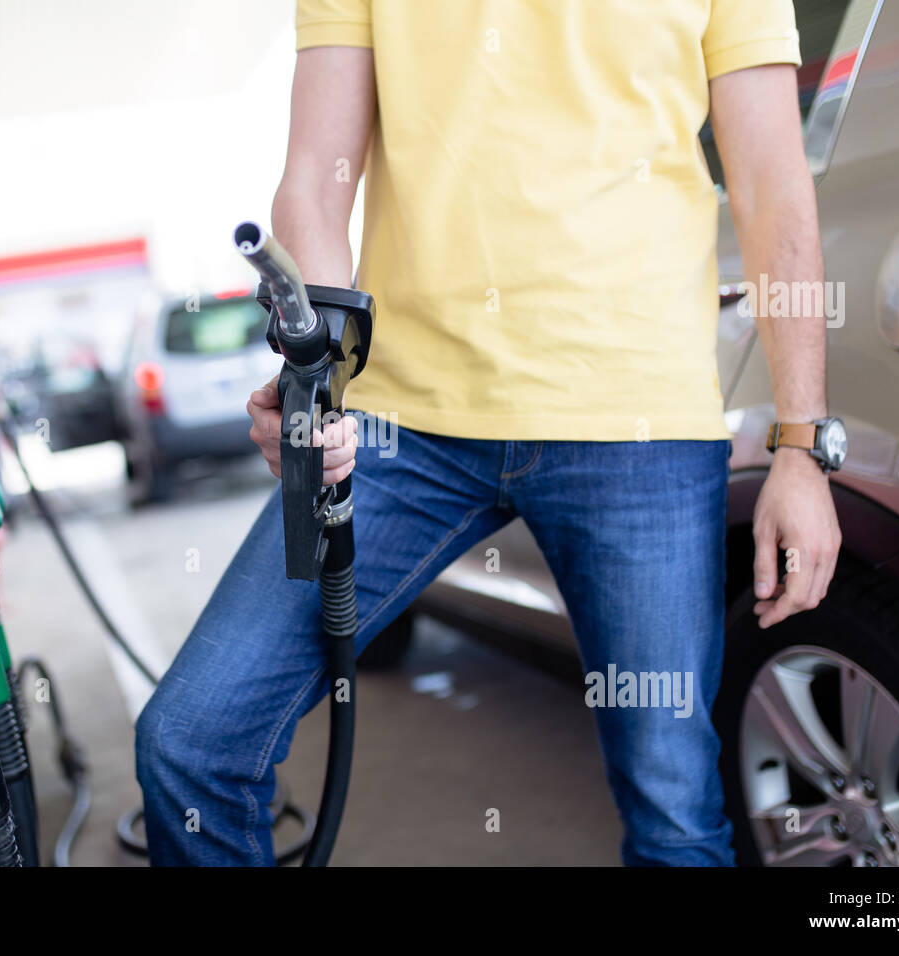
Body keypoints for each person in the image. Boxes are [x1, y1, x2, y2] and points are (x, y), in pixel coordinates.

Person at [136, 0, 842, 865]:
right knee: (192, 740)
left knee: (675, 819)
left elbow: (773, 183)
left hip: (637, 420)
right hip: (401, 422)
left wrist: (803, 449)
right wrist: (316, 374)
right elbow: (318, 177)